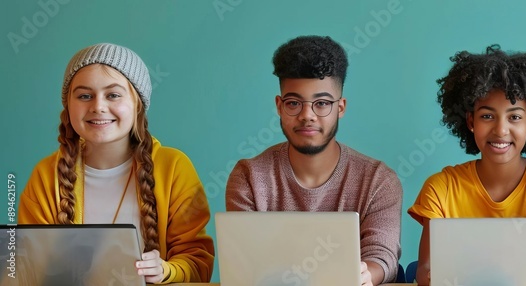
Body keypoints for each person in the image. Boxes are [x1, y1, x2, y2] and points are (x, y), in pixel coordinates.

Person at [18, 43, 215, 283]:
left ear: (137, 104)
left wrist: (166, 271)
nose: (98, 106)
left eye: (113, 95)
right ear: (68, 105)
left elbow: (198, 263)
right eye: (84, 96)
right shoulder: (46, 176)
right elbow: (25, 269)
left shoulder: (174, 167)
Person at [225, 35, 403, 286]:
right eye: (294, 103)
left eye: (321, 103)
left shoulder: (378, 180)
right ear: (279, 105)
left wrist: (366, 275)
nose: (307, 115)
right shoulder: (248, 177)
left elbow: (382, 256)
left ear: (340, 107)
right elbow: (244, 266)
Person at [407, 45, 526, 285]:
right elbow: (425, 271)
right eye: (487, 116)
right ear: (471, 121)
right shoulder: (441, 188)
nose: (501, 130)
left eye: (514, 117)